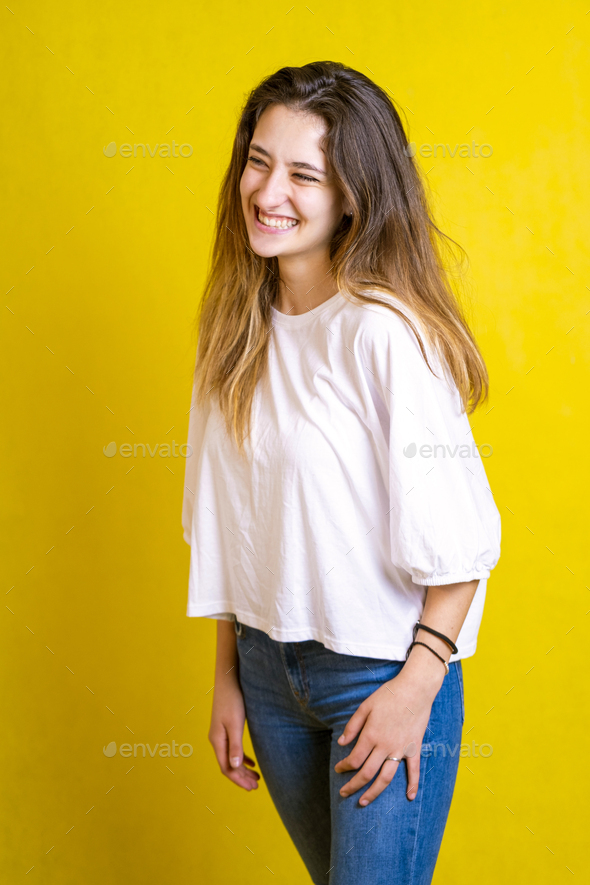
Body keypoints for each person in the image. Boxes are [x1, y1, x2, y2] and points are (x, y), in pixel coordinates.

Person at [182, 60, 501, 885]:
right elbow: (233, 525)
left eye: (304, 174)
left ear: (352, 195)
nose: (268, 192)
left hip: (382, 673)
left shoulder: (383, 332)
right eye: (258, 161)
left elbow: (464, 544)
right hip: (267, 673)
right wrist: (228, 675)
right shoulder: (234, 332)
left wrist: (415, 688)